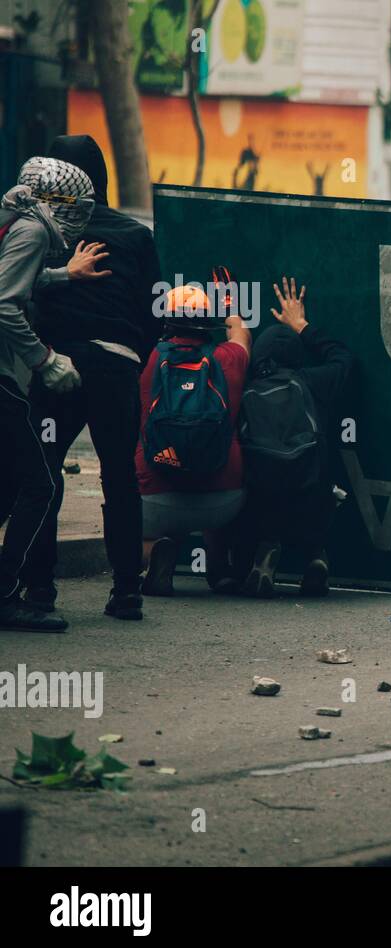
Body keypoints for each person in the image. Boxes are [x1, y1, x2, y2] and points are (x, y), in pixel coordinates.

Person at [17, 134, 164, 622]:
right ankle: (126, 591)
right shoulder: (136, 235)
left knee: (44, 477)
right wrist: (127, 357)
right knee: (120, 477)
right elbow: (153, 315)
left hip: (55, 366)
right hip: (115, 366)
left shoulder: (35, 229)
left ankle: (38, 588)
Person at [0, 157, 94, 632]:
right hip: (3, 379)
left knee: (11, 484)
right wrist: (45, 360)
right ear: (56, 204)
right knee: (40, 484)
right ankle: (5, 596)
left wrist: (61, 277)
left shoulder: (12, 220)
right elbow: (5, 303)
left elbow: (14, 281)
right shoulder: (34, 232)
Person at [230, 276, 354, 597]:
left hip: (259, 501)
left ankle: (264, 554)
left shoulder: (244, 387)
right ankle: (315, 556)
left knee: (253, 485)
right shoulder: (311, 381)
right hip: (310, 498)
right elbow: (344, 359)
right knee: (323, 480)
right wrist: (302, 326)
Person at [135, 284, 250, 596]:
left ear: (167, 322)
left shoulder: (146, 359)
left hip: (155, 500)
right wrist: (229, 299)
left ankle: (151, 553)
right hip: (223, 502)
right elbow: (240, 331)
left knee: (125, 502)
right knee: (217, 458)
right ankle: (218, 567)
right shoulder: (229, 358)